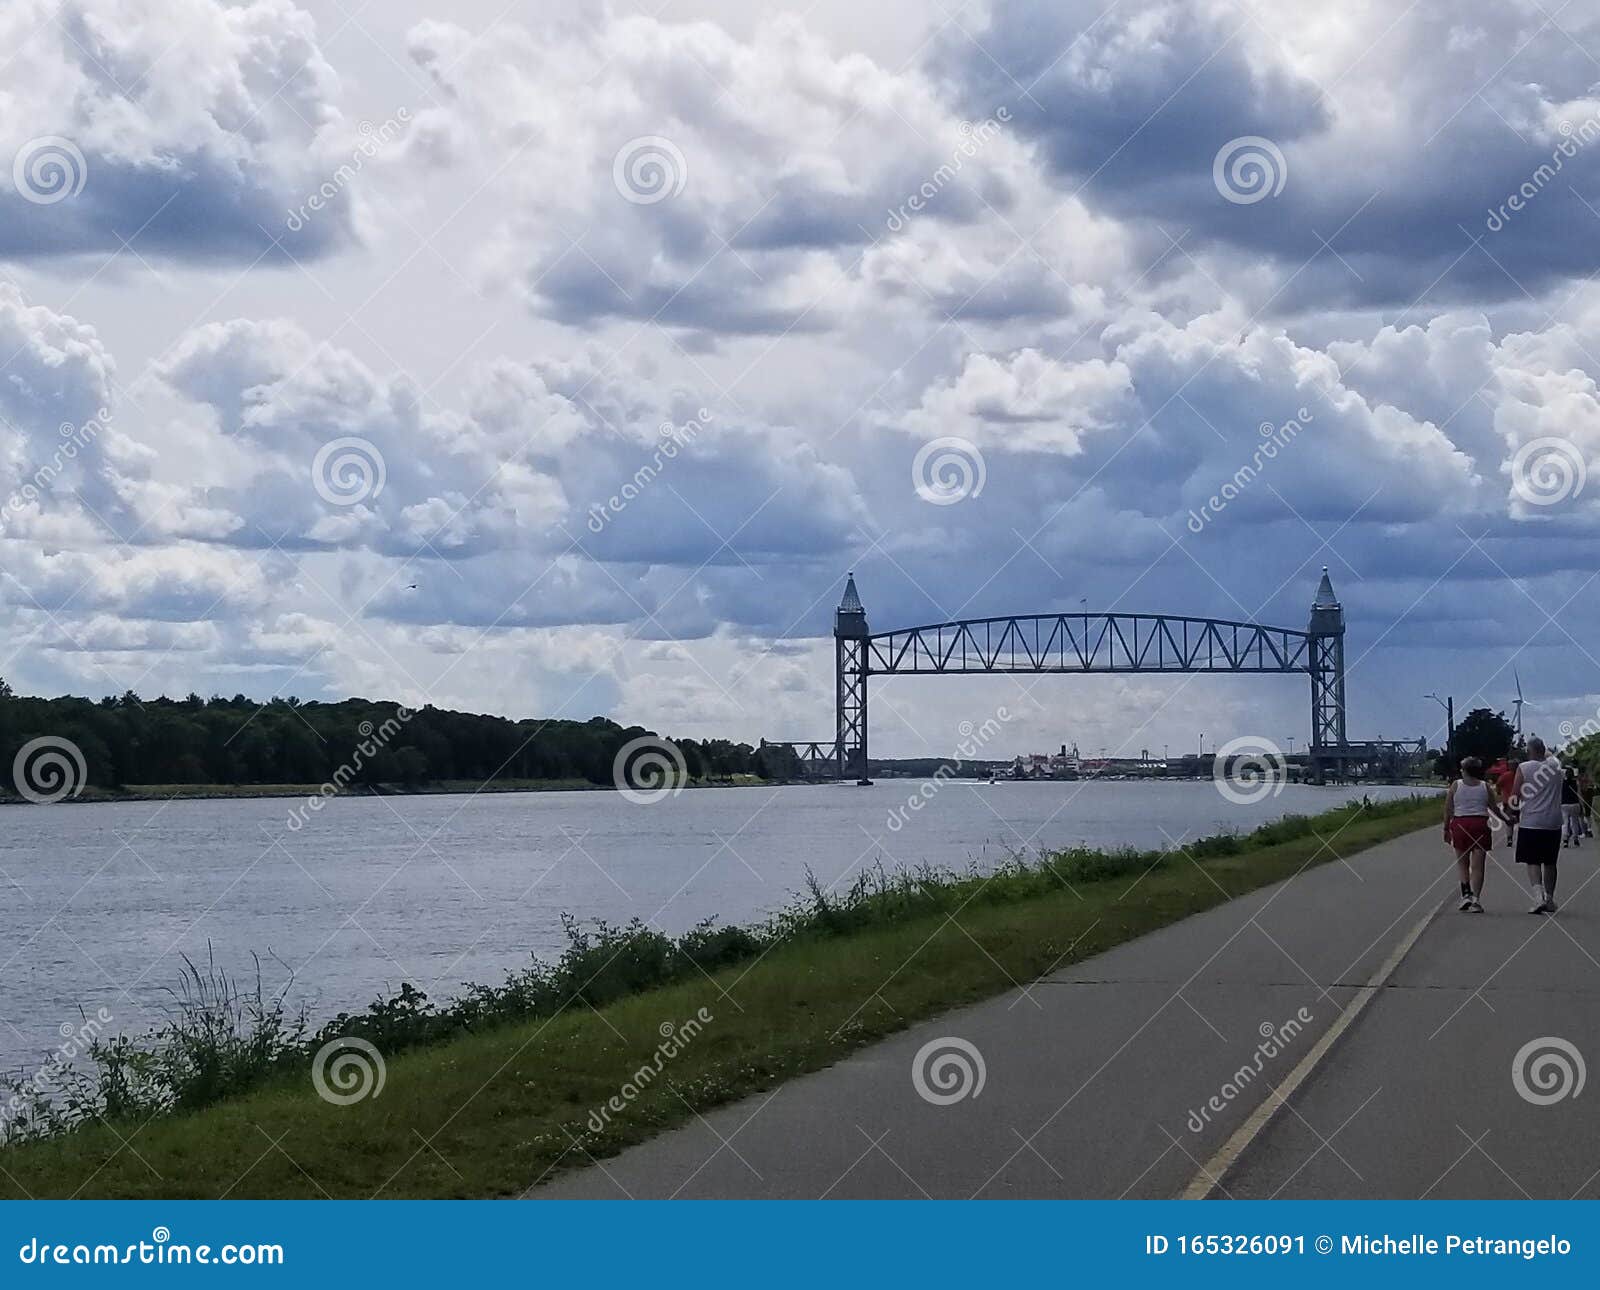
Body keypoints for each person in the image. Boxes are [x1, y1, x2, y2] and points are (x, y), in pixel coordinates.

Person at [1443, 756, 1502, 912]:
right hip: (1480, 824)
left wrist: (1446, 828)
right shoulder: (1485, 786)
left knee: (1463, 864)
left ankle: (1465, 896)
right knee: (1478, 866)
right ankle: (1476, 900)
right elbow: (1494, 808)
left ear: (1465, 771)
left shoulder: (1456, 785)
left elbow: (1448, 808)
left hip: (1460, 824)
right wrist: (1507, 820)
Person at [1513, 737, 1564, 913]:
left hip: (1531, 821)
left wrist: (1512, 815)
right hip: (1553, 822)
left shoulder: (1524, 768)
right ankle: (1549, 898)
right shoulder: (1556, 767)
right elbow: (1550, 756)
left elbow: (1515, 795)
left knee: (1532, 860)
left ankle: (1538, 897)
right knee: (1550, 862)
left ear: (1529, 751)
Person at [1489, 753, 1519, 847]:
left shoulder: (1505, 776)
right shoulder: (1521, 775)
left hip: (1507, 801)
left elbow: (1498, 785)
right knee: (1520, 819)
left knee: (1509, 821)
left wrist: (1498, 792)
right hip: (1518, 801)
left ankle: (1509, 838)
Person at [1561, 765, 1583, 847]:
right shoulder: (1576, 783)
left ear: (1565, 774)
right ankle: (1575, 839)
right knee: (1574, 822)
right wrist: (1582, 805)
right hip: (1575, 804)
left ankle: (1565, 840)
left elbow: (1559, 794)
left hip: (1564, 804)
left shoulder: (1562, 783)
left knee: (1565, 822)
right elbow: (1579, 794)